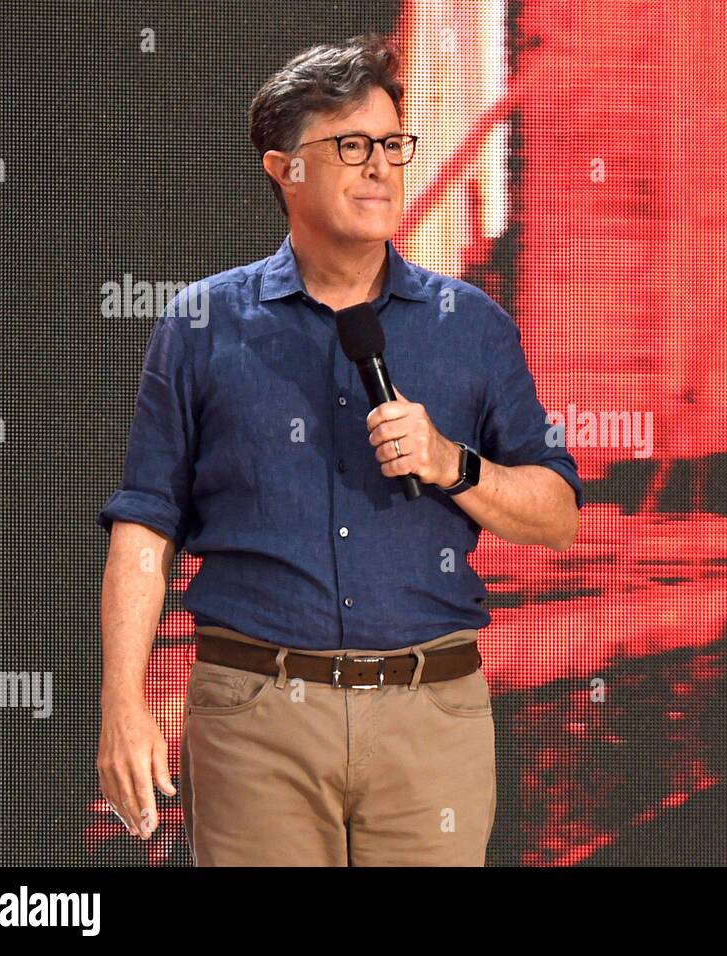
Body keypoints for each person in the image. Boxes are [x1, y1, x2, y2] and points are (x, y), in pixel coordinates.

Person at [95, 32, 582, 866]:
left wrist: (452, 463)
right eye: (351, 147)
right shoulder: (201, 325)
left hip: (431, 720)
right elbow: (146, 525)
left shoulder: (472, 326)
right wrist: (123, 702)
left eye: (392, 145)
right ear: (285, 169)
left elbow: (559, 515)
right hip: (254, 719)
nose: (382, 169)